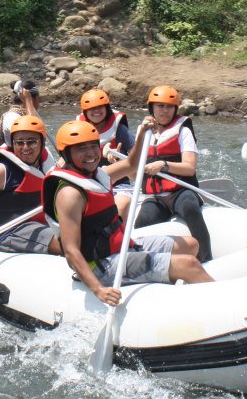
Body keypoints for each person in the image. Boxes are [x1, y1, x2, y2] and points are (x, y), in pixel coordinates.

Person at [42, 120, 212, 307]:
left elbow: (132, 164)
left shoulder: (99, 176)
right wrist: (98, 289)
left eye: (94, 146)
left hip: (121, 247)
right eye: (81, 149)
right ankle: (225, 310)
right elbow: (71, 251)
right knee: (188, 264)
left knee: (191, 245)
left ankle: (174, 295)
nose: (91, 153)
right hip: (102, 265)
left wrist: (142, 134)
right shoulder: (70, 194)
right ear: (66, 154)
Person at [135, 85, 213, 263]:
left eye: (169, 107)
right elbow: (134, 167)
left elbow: (190, 168)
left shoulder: (183, 131)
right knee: (142, 222)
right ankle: (143, 262)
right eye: (160, 106)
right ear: (152, 108)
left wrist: (164, 165)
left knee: (190, 207)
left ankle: (205, 258)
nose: (165, 111)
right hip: (156, 197)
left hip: (181, 191)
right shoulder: (144, 131)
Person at [0, 115, 60, 254]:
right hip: (11, 232)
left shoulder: (46, 166)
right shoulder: (1, 171)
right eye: (19, 143)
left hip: (41, 223)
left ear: (42, 143)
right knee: (67, 242)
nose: (25, 147)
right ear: (12, 144)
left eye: (32, 142)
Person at [76, 88, 136, 220]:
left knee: (121, 206)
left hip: (119, 185)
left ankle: (119, 231)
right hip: (89, 183)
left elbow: (136, 166)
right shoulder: (79, 130)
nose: (96, 111)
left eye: (100, 107)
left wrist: (119, 161)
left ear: (107, 108)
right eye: (92, 109)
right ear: (85, 112)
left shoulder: (120, 129)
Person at [0, 80, 41, 147]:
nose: (39, 103)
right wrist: (28, 100)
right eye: (39, 99)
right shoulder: (11, 117)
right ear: (33, 99)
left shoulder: (31, 114)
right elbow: (32, 132)